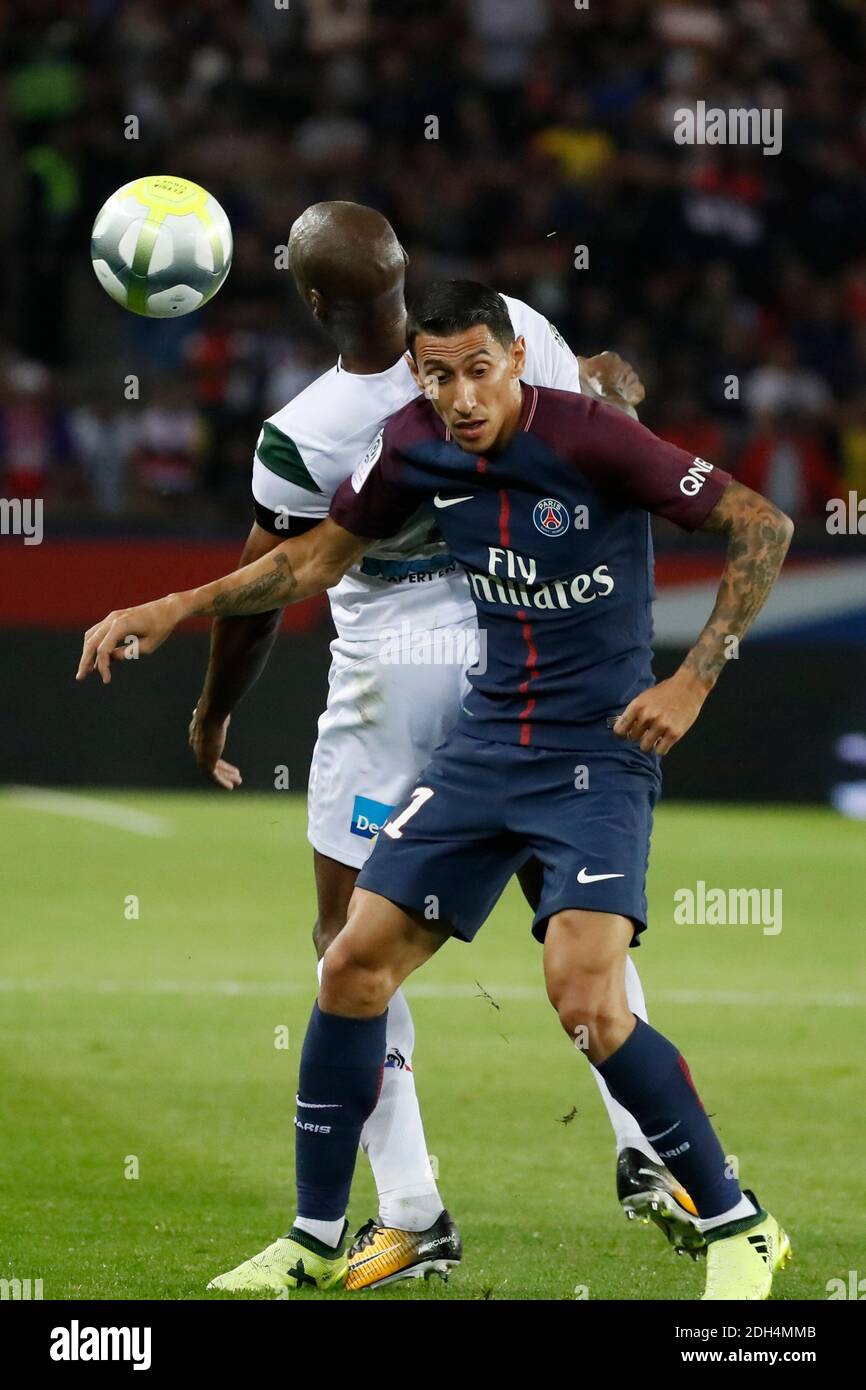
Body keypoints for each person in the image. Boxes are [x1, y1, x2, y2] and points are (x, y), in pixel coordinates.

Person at [77, 280, 794, 1300]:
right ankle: (316, 1239)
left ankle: (738, 1223)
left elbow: (759, 525)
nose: (458, 395)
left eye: (475, 369)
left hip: (593, 753)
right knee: (349, 968)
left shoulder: (593, 438)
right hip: (485, 745)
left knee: (582, 996)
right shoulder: (411, 445)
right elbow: (319, 556)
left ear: (512, 360)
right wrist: (175, 601)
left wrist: (692, 675)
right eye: (435, 373)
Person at [186, 201, 700, 1285]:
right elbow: (590, 425)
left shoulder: (302, 430)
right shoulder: (503, 327)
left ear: (313, 301)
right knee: (571, 908)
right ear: (405, 272)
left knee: (347, 942)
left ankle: (408, 1207)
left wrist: (213, 708)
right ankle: (652, 1149)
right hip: (518, 650)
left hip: (391, 688)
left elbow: (276, 580)